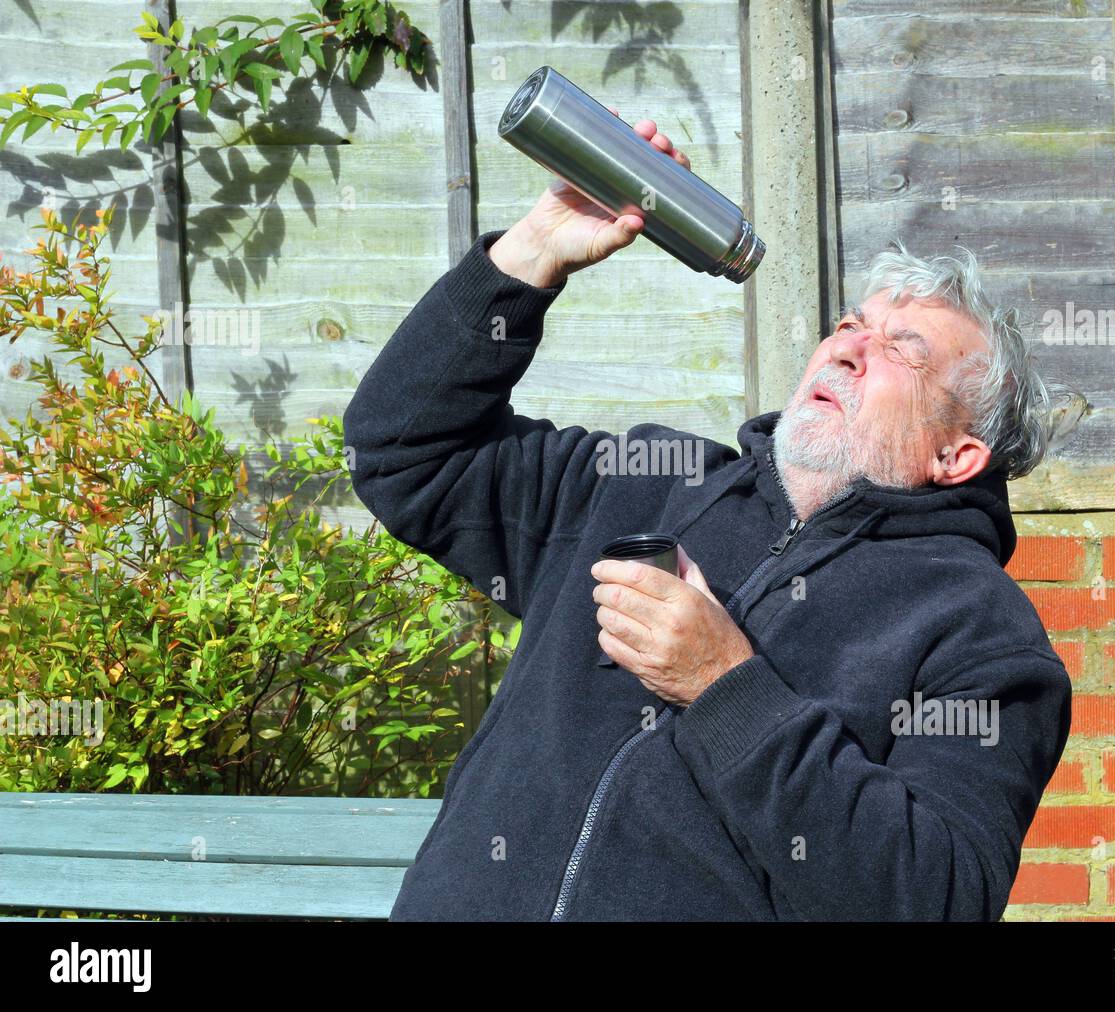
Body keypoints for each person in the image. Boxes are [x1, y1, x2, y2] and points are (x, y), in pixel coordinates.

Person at [342, 118, 1072, 921]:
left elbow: (937, 898)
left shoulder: (981, 636)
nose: (849, 348)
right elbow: (405, 452)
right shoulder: (642, 483)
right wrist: (531, 252)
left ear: (957, 456)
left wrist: (725, 690)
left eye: (904, 350)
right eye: (849, 325)